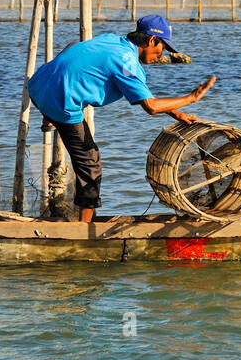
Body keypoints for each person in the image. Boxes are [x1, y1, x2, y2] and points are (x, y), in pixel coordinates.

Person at [26, 14, 215, 222]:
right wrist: (191, 98)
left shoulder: (112, 40)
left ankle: (48, 118)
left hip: (37, 86)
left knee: (74, 45)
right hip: (60, 104)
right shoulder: (127, 62)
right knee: (91, 163)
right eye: (163, 48)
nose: (162, 55)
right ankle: (83, 229)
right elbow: (150, 107)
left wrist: (175, 112)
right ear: (152, 40)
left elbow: (141, 93)